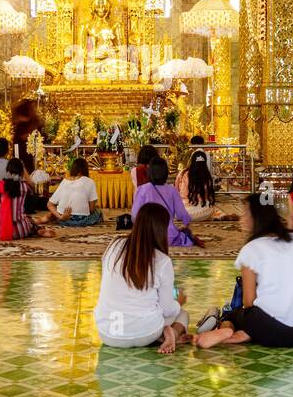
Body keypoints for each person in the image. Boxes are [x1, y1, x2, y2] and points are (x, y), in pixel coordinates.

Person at [195, 193, 293, 349]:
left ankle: (227, 333)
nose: (241, 218)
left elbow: (249, 302)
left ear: (256, 217)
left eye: (245, 214)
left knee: (233, 313)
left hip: (272, 330)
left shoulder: (251, 249)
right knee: (265, 313)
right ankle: (246, 334)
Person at [95, 203, 189, 353]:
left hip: (107, 333)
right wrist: (179, 302)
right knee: (183, 315)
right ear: (162, 230)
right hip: (146, 334)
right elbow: (167, 310)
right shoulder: (162, 261)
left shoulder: (114, 245)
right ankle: (171, 334)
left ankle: (161, 332)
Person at [132, 156, 201, 248]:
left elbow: (134, 216)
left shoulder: (142, 189)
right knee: (183, 236)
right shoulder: (172, 190)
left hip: (146, 237)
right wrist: (186, 224)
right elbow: (182, 214)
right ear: (166, 173)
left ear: (150, 172)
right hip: (168, 236)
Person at [0, 158, 54, 240]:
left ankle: (39, 222)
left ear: (7, 171)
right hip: (21, 231)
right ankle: (36, 228)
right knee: (26, 218)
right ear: (22, 172)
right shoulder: (25, 187)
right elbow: (33, 186)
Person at [47, 157, 102, 227]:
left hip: (63, 220)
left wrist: (61, 217)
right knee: (98, 212)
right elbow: (91, 209)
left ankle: (49, 218)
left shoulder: (64, 181)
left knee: (54, 213)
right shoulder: (89, 181)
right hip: (81, 220)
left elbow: (49, 204)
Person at [177, 150, 225, 222]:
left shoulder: (182, 173)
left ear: (191, 161)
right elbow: (209, 197)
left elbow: (177, 190)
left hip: (183, 212)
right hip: (203, 212)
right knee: (213, 208)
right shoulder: (207, 175)